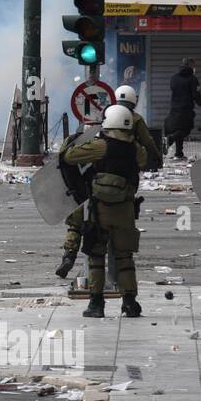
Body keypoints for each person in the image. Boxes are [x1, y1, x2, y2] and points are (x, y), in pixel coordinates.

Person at [56, 85, 160, 278]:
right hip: (125, 186)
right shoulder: (135, 128)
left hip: (97, 185)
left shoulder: (106, 125)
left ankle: (69, 255)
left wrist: (75, 140)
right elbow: (146, 149)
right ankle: (127, 296)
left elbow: (69, 156)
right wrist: (155, 157)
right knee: (121, 246)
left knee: (80, 223)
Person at [62, 104, 148, 318]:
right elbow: (144, 161)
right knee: (124, 257)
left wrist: (78, 140)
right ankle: (129, 303)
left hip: (99, 210)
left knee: (96, 257)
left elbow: (69, 157)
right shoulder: (136, 148)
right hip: (126, 210)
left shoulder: (101, 145)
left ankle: (96, 304)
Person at [163, 58, 201, 159]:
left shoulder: (174, 77)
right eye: (194, 66)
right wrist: (199, 102)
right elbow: (196, 94)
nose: (195, 68)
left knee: (178, 129)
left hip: (174, 108)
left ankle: (179, 153)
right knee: (186, 129)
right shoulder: (193, 78)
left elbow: (173, 88)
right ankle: (170, 139)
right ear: (191, 66)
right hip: (186, 109)